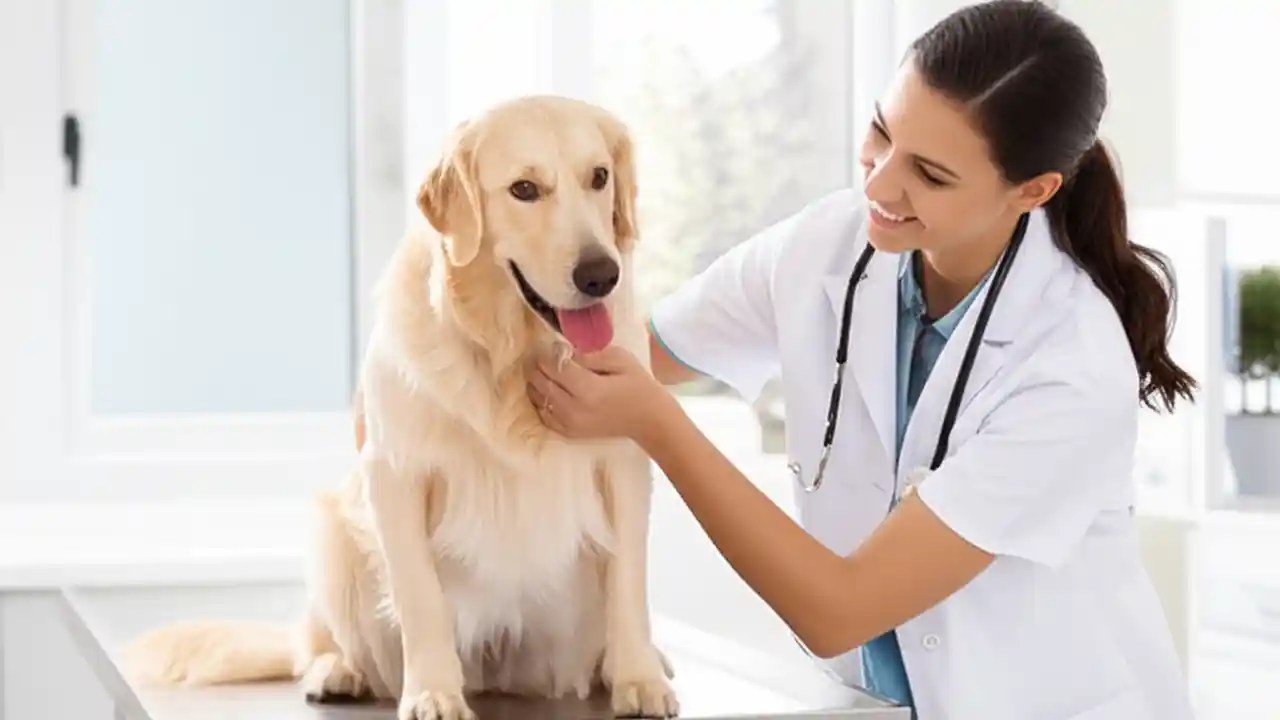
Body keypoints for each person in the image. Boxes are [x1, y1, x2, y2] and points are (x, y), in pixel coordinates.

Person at [526, 2, 1198, 719]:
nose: (878, 185)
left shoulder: (1070, 367)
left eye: (930, 175)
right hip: (875, 703)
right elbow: (631, 358)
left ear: (1031, 190)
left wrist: (660, 427)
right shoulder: (827, 245)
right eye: (881, 130)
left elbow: (840, 610)